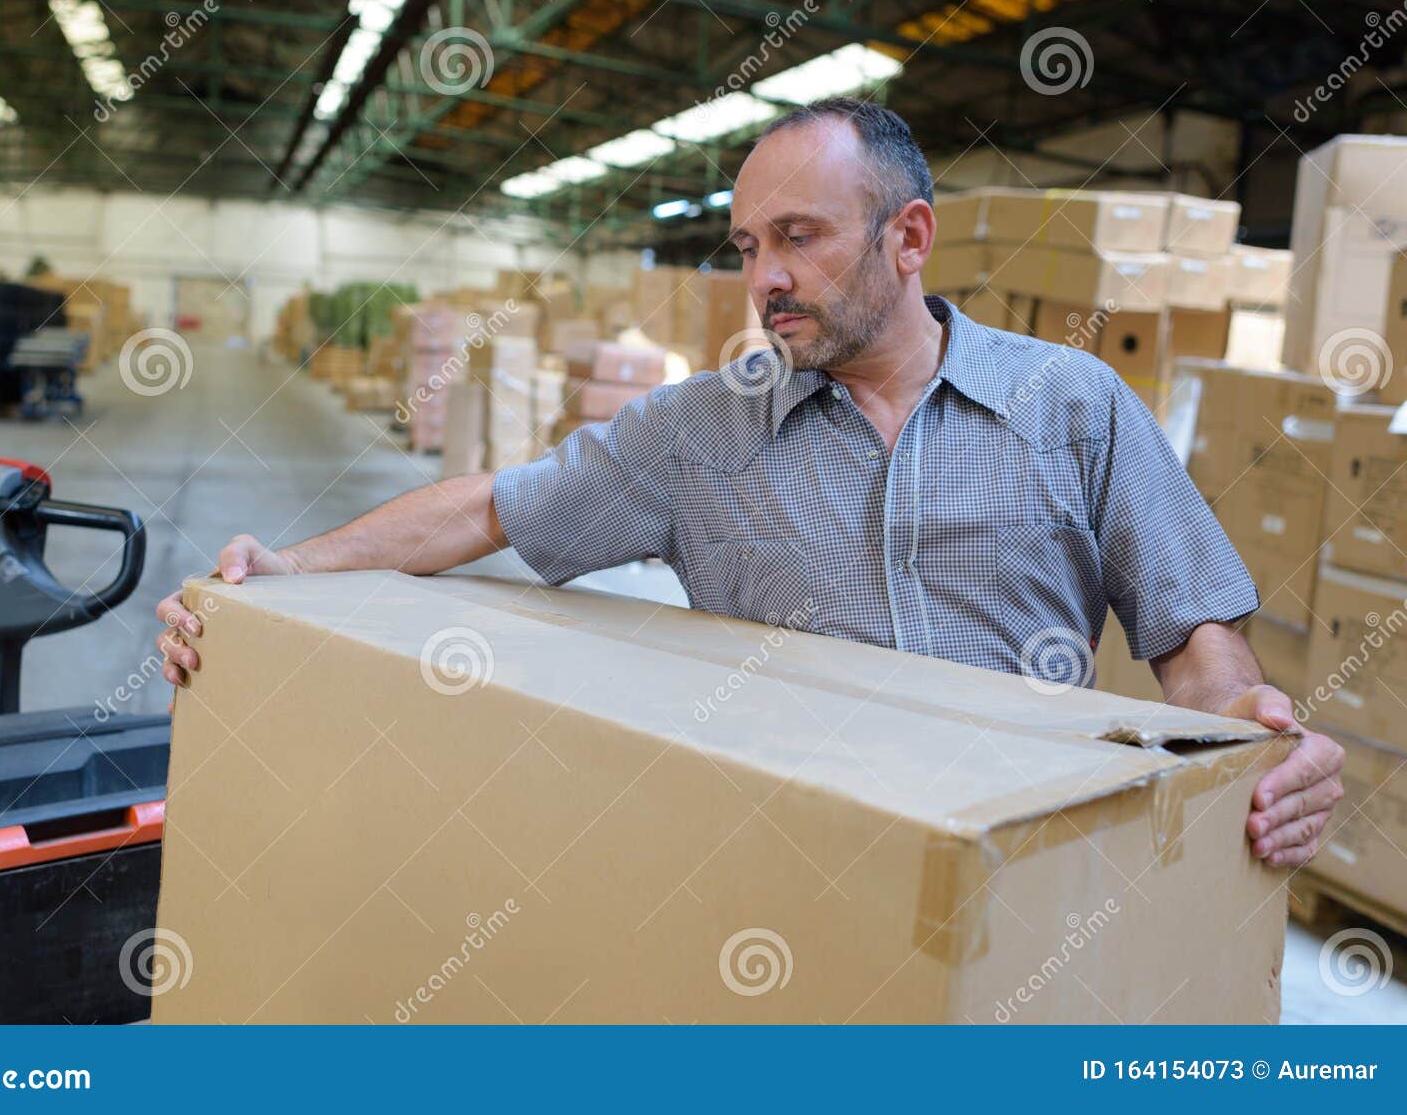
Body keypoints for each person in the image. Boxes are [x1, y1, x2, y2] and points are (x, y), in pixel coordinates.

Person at [156, 96, 1342, 870]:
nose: (764, 278)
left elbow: (1192, 636)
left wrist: (1246, 725)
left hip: (1025, 868)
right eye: (745, 248)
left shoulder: (1071, 405)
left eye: (799, 237)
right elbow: (487, 507)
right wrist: (290, 570)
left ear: (909, 237)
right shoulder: (697, 435)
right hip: (780, 873)